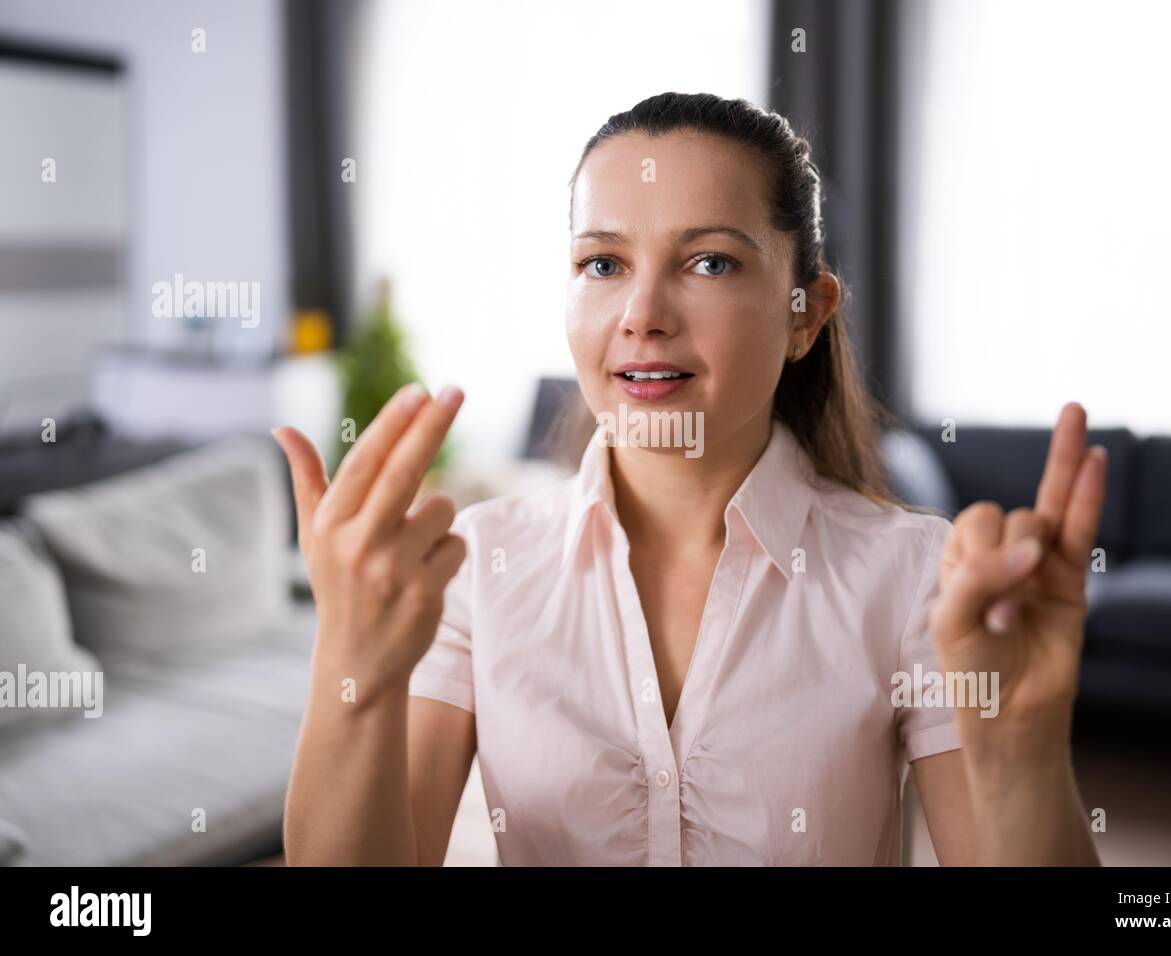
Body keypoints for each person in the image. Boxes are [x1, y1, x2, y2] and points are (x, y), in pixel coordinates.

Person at [275, 92, 1106, 866]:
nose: (642, 314)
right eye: (602, 264)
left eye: (709, 263)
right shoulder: (476, 570)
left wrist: (1025, 752)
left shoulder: (913, 575)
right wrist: (350, 664)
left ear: (805, 315)